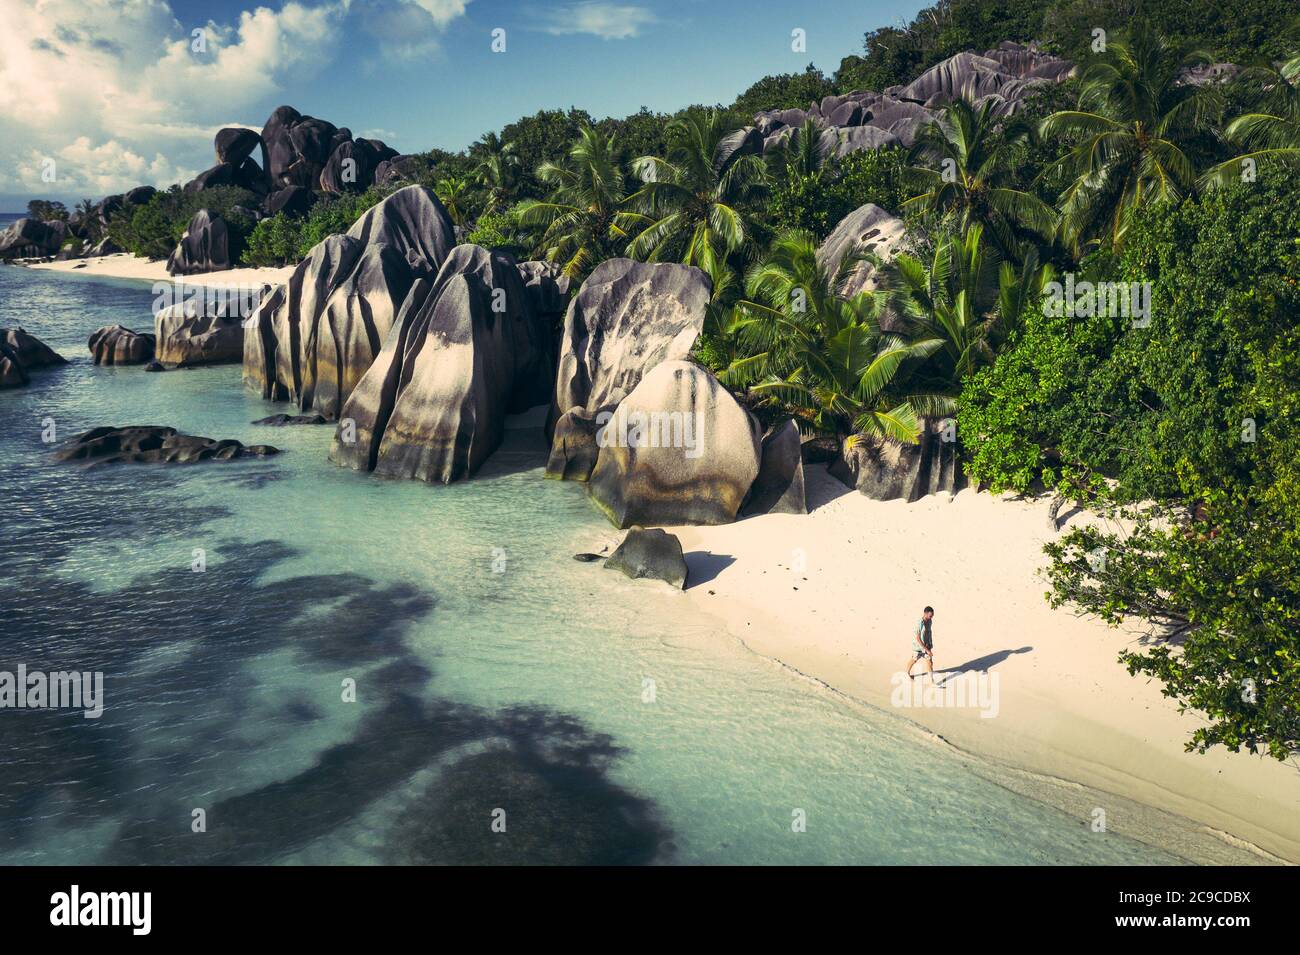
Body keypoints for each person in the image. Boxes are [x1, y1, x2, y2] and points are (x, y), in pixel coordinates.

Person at [905, 606, 936, 681]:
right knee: (914, 660)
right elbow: (918, 638)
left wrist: (929, 645)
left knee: (930, 662)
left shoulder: (929, 621)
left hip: (926, 645)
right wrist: (926, 650)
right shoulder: (919, 623)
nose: (931, 618)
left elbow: (928, 633)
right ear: (925, 613)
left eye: (932, 616)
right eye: (930, 616)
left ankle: (931, 680)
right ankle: (906, 674)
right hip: (918, 646)